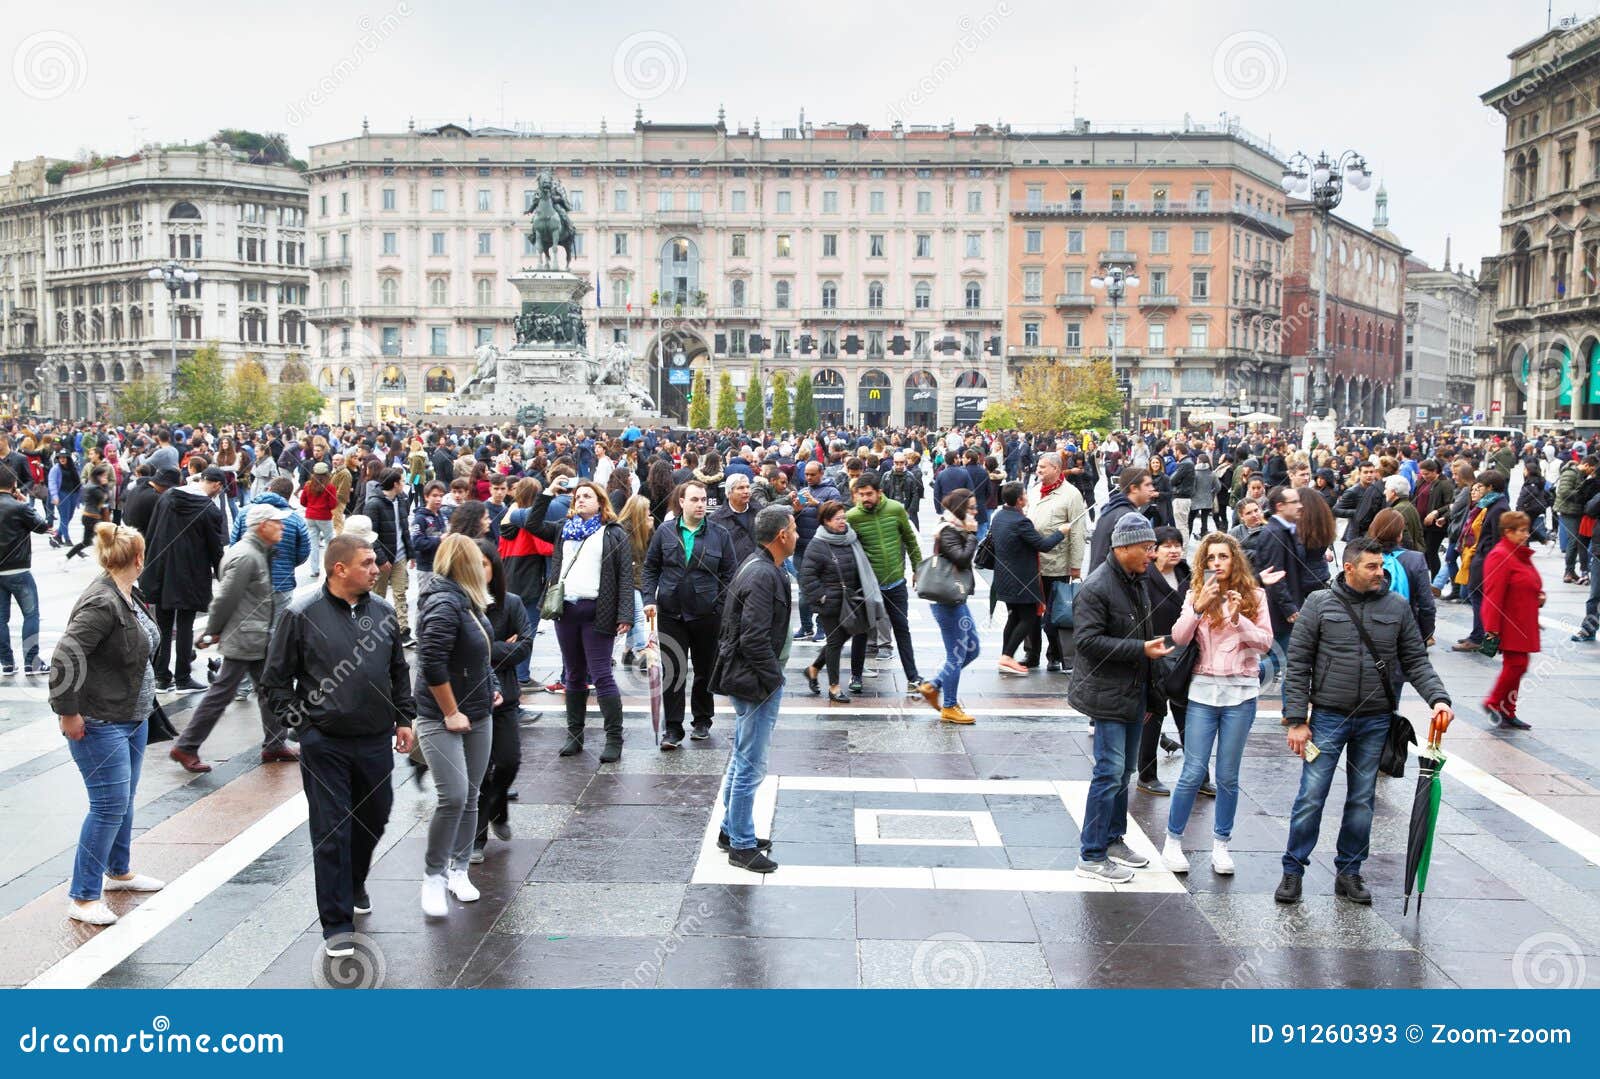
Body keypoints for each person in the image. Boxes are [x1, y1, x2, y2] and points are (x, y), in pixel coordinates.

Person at [1275, 538, 1454, 906]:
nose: (1380, 573)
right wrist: (1296, 719)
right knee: (1311, 796)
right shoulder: (1319, 603)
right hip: (1327, 716)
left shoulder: (1396, 606)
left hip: (1375, 719)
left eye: (1381, 566)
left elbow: (1416, 661)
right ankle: (1293, 871)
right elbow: (1298, 665)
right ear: (1349, 568)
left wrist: (1438, 698)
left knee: (1361, 799)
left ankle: (1350, 871)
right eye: (1372, 567)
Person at [262, 533, 415, 957]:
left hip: (374, 739)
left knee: (374, 818)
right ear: (339, 569)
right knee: (332, 830)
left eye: (376, 562)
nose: (377, 568)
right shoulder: (301, 613)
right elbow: (274, 681)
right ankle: (336, 923)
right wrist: (303, 728)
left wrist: (404, 716)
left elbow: (398, 670)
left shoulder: (383, 611)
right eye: (367, 563)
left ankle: (353, 881)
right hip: (325, 742)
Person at [52, 522, 167, 925]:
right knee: (107, 807)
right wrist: (68, 712)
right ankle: (82, 897)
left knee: (122, 803)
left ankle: (118, 872)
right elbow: (66, 655)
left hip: (132, 716)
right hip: (101, 721)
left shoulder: (128, 593)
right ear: (138, 558)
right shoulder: (103, 602)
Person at [1161, 532, 1272, 876]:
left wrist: (1240, 619)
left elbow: (1266, 643)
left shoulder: (1255, 596)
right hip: (1203, 692)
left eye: (1223, 557)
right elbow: (1178, 638)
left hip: (1241, 692)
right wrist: (1196, 608)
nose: (1217, 564)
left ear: (1234, 560)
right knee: (1193, 771)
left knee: (1227, 775)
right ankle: (1172, 841)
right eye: (1211, 558)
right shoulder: (1196, 593)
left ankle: (1221, 845)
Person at [1070, 512, 1173, 883]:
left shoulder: (1137, 578)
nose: (1152, 553)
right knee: (1109, 772)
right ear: (1123, 547)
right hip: (1107, 694)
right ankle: (1091, 854)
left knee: (1124, 771)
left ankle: (1113, 840)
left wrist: (1150, 688)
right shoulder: (1097, 586)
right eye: (1147, 547)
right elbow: (1085, 642)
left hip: (1133, 692)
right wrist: (1140, 649)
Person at [168, 503, 297, 773]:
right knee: (222, 693)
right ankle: (187, 746)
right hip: (245, 637)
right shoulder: (246, 556)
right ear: (263, 526)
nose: (283, 527)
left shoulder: (257, 552)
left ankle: (275, 743)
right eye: (278, 522)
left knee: (269, 689)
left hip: (255, 636)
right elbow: (225, 598)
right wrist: (212, 630)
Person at [709, 505, 798, 874]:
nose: (797, 534)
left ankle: (731, 831)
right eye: (793, 528)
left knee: (741, 756)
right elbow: (754, 636)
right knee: (750, 763)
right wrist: (773, 678)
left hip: (750, 676)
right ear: (781, 535)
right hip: (756, 680)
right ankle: (742, 845)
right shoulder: (763, 574)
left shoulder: (759, 565)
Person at [413, 534, 497, 917]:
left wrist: (491, 686)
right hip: (439, 714)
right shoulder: (445, 602)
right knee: (455, 796)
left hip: (478, 710)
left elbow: (479, 653)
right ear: (464, 563)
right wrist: (449, 712)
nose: (485, 567)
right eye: (478, 560)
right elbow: (431, 662)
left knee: (472, 794)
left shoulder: (467, 600)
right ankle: (433, 875)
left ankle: (459, 870)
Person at [530, 479, 634, 760]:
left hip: (598, 612)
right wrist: (547, 493)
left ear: (600, 502)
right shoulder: (565, 529)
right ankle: (574, 735)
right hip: (566, 610)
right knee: (573, 674)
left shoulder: (613, 533)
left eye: (587, 496)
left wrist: (625, 614)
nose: (581, 500)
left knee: (601, 675)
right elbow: (532, 524)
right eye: (577, 496)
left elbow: (625, 576)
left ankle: (614, 738)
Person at [643, 480, 735, 748]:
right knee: (673, 670)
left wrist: (719, 606)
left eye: (704, 499)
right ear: (681, 502)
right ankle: (672, 728)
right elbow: (650, 568)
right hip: (671, 613)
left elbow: (730, 573)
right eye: (695, 499)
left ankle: (702, 720)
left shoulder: (719, 533)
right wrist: (650, 599)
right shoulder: (665, 532)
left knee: (705, 669)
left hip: (707, 614)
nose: (700, 504)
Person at [138, 466, 226, 692]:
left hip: (162, 570)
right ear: (216, 485)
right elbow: (215, 548)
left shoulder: (167, 497)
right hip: (192, 575)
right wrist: (222, 574)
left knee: (163, 626)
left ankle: (161, 677)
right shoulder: (209, 509)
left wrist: (147, 565)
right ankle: (183, 677)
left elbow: (152, 532)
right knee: (185, 626)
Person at [472, 539, 534, 861]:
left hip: (505, 697)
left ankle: (498, 810)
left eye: (485, 563)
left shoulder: (511, 603)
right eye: (474, 563)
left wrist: (485, 648)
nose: (480, 570)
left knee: (509, 760)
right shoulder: (460, 604)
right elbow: (456, 651)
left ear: (494, 567)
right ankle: (477, 837)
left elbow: (524, 645)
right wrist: (498, 646)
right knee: (479, 772)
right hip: (470, 701)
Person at [846, 472, 926, 695]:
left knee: (902, 628)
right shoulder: (852, 517)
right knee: (861, 631)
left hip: (895, 582)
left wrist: (918, 569)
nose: (865, 499)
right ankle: (856, 675)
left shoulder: (896, 509)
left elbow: (910, 540)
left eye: (869, 494)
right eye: (861, 495)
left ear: (879, 492)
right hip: (867, 584)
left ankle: (912, 676)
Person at [1136, 526, 1199, 796]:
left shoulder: (1189, 574)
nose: (1174, 550)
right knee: (1154, 714)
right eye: (1167, 545)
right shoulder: (1143, 576)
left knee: (1189, 715)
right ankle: (1147, 774)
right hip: (1154, 650)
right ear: (1155, 550)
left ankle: (1199, 776)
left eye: (1178, 545)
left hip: (1185, 653)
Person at [798, 499, 879, 704]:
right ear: (826, 521)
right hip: (830, 603)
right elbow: (807, 577)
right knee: (835, 642)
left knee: (845, 637)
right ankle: (834, 687)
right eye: (837, 519)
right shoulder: (818, 544)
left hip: (851, 599)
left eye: (844, 517)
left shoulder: (850, 538)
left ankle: (813, 669)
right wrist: (822, 597)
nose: (843, 522)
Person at [990, 481, 1071, 674]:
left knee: (1014, 617)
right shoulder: (1021, 522)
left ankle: (1005, 657)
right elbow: (1042, 545)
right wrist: (1061, 532)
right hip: (1022, 580)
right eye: (1025, 494)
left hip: (1004, 578)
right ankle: (1007, 656)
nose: (1026, 496)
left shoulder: (999, 516)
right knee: (1027, 618)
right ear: (1020, 500)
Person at [917, 489, 981, 724]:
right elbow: (962, 558)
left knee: (972, 650)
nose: (975, 511)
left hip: (956, 599)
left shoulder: (957, 528)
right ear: (961, 508)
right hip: (946, 601)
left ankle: (933, 686)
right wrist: (972, 536)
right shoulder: (948, 530)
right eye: (971, 507)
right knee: (956, 655)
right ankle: (950, 706)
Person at [1480, 510, 1542, 731]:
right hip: (1510, 623)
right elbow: (1493, 595)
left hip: (1522, 621)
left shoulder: (1518, 553)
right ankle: (1495, 702)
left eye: (1527, 529)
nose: (1527, 534)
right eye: (1522, 530)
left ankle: (1507, 708)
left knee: (1518, 665)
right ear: (1508, 532)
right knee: (1517, 664)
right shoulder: (1500, 555)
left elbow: (1528, 583)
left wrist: (1539, 595)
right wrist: (1492, 628)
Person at [1027, 452, 1087, 673]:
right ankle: (1031, 653)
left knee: (1055, 615)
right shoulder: (1034, 491)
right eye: (1038, 466)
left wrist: (1076, 566)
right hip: (1032, 563)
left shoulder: (1071, 495)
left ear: (1055, 468)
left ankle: (1055, 655)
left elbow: (1078, 532)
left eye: (1042, 467)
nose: (1038, 469)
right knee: (1030, 613)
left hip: (1057, 564)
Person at [0, 463, 52, 676]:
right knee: (31, 615)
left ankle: (7, 662)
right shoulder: (19, 507)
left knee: (1, 618)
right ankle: (32, 661)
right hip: (19, 569)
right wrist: (23, 502)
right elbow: (42, 526)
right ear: (13, 484)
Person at [1455, 469, 1511, 651]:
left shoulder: (1499, 507)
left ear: (1491, 488)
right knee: (1476, 597)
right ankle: (1478, 634)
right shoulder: (1491, 504)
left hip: (1486, 560)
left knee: (1478, 598)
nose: (1478, 488)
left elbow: (1498, 540)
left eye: (1482, 486)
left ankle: (1479, 638)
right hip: (1482, 558)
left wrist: (1492, 564)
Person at [791, 461, 842, 640]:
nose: (809, 478)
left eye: (812, 474)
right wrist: (795, 510)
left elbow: (835, 516)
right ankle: (806, 627)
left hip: (822, 549)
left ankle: (822, 626)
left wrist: (817, 503)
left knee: (822, 590)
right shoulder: (804, 491)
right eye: (806, 474)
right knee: (803, 592)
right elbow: (796, 517)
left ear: (821, 473)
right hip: (801, 548)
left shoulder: (831, 491)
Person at [1370, 508, 1436, 644]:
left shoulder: (1361, 556)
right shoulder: (1415, 559)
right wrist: (1424, 635)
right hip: (1404, 632)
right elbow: (1427, 605)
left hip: (1368, 631)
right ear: (1399, 535)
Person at [365, 468, 414, 646]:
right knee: (378, 596)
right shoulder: (374, 504)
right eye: (402, 481)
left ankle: (403, 631)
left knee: (401, 594)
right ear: (395, 484)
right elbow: (370, 534)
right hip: (382, 560)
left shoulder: (402, 500)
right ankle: (375, 632)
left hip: (400, 556)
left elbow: (405, 528)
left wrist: (411, 552)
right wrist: (381, 558)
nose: (404, 484)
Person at [1089, 467, 1157, 571]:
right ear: (1134, 488)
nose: (1152, 489)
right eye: (1147, 485)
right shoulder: (1129, 518)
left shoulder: (1111, 509)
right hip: (1111, 581)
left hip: (1100, 576)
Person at [1554, 455, 1599, 582]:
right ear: (1586, 465)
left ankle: (1572, 571)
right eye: (1592, 468)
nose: (1592, 471)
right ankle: (1568, 571)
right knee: (1573, 541)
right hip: (1568, 511)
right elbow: (1564, 491)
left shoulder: (1583, 475)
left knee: (1578, 542)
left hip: (1577, 511)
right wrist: (1582, 494)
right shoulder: (1570, 473)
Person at [709, 472, 762, 567]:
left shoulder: (760, 512)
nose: (746, 491)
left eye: (747, 487)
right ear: (729, 493)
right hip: (733, 574)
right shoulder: (716, 519)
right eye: (740, 488)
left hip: (759, 570)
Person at [300, 461, 339, 574]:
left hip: (310, 516)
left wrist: (312, 506)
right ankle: (329, 568)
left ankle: (314, 569)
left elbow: (303, 502)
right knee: (329, 543)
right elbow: (333, 504)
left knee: (313, 544)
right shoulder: (330, 487)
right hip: (324, 517)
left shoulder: (308, 485)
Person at [410, 480, 449, 591]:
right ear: (426, 497)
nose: (438, 499)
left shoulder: (442, 515)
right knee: (426, 600)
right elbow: (416, 542)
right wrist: (439, 540)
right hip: (427, 567)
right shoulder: (420, 518)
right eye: (434, 495)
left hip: (441, 565)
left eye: (441, 496)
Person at [48, 450, 82, 549]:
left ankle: (58, 535)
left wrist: (80, 497)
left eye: (64, 457)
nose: (62, 459)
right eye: (60, 457)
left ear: (68, 458)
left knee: (69, 516)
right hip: (62, 494)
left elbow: (78, 482)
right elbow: (52, 483)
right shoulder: (55, 469)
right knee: (64, 516)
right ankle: (67, 538)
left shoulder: (74, 468)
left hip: (73, 494)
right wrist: (54, 496)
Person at [1382, 474, 1424, 552]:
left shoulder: (1397, 511)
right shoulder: (1409, 506)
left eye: (1386, 489)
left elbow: (1405, 538)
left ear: (1393, 492)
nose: (1384, 492)